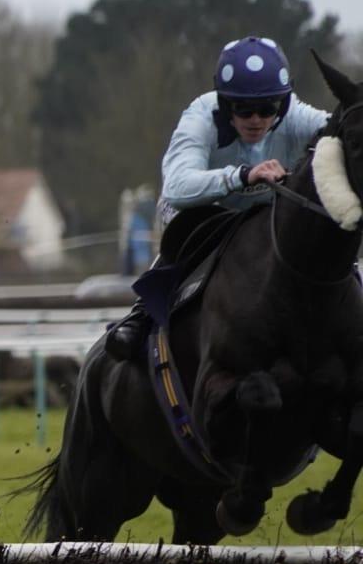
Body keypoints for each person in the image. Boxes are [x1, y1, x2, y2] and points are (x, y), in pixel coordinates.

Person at [104, 36, 333, 362]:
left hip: (265, 215)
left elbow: (342, 130)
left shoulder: (296, 114)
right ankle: (140, 316)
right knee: (188, 229)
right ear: (225, 104)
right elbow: (177, 187)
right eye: (244, 109)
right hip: (202, 212)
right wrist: (242, 176)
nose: (256, 119)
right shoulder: (200, 117)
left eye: (267, 109)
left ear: (282, 104)